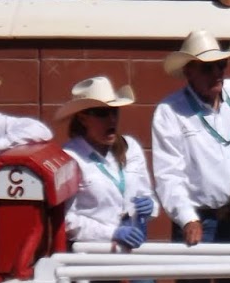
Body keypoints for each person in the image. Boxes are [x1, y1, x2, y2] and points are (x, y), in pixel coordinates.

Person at [151, 31, 230, 283]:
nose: (217, 72)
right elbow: (168, 174)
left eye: (221, 65)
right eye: (207, 68)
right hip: (198, 220)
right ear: (189, 72)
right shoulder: (169, 112)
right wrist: (187, 218)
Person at [56, 78, 156, 255]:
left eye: (114, 112)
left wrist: (149, 206)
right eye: (102, 113)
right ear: (83, 118)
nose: (111, 119)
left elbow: (145, 194)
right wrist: (112, 233)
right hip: (94, 253)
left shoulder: (130, 147)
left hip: (134, 247)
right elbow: (66, 220)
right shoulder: (70, 157)